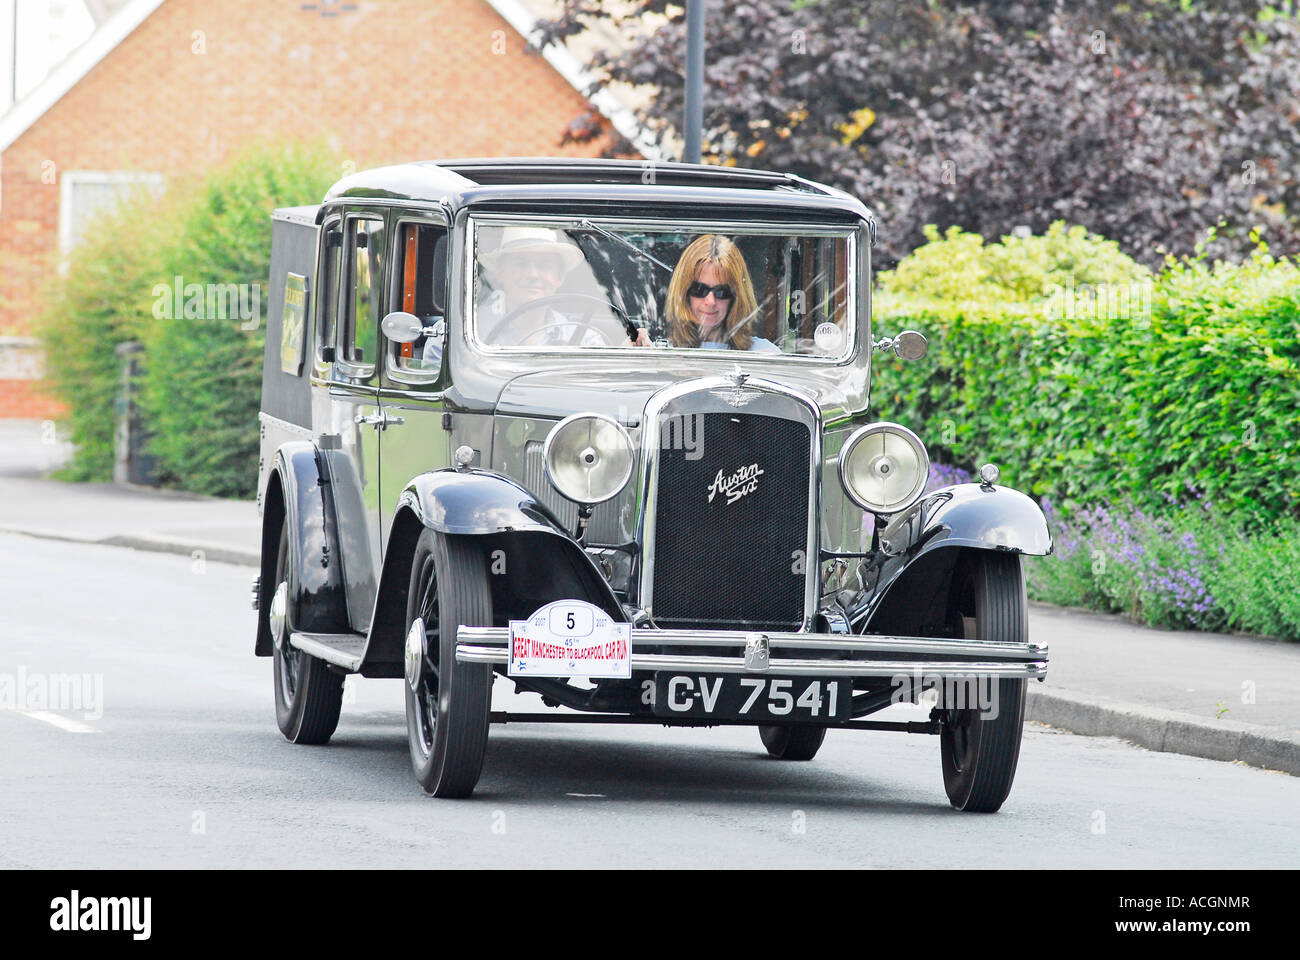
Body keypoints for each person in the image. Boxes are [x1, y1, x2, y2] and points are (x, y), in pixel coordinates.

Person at [478, 226, 626, 346]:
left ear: (559, 278)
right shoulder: (473, 331)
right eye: (520, 264)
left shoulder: (585, 340)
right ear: (501, 274)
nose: (533, 274)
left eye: (544, 266)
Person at [664, 234, 781, 352]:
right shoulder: (658, 355)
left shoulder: (764, 355)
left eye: (721, 292)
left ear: (736, 297)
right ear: (684, 293)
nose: (710, 301)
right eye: (699, 290)